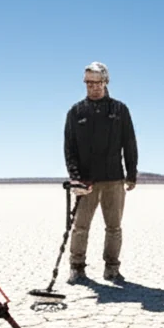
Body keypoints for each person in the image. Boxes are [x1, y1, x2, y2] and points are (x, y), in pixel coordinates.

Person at [64, 62, 139, 283]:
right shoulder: (76, 112)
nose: (93, 87)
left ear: (106, 82)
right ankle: (77, 267)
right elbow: (70, 148)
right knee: (80, 227)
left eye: (97, 82)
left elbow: (130, 143)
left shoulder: (119, 110)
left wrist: (131, 173)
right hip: (85, 181)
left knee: (113, 227)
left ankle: (112, 268)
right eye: (89, 83)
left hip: (114, 179)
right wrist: (75, 177)